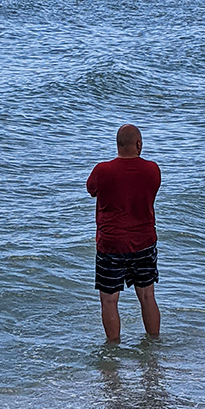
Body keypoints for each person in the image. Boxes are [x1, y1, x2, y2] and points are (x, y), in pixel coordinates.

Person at [86, 124, 161, 343]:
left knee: (109, 301)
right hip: (144, 241)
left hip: (112, 244)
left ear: (117, 145)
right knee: (147, 296)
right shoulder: (152, 170)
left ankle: (112, 354)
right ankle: (154, 348)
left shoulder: (102, 171)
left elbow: (91, 190)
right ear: (139, 144)